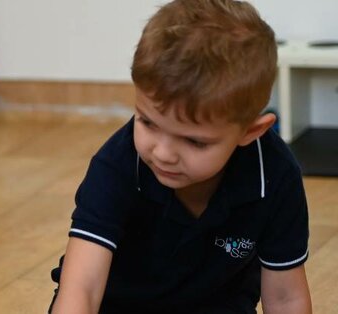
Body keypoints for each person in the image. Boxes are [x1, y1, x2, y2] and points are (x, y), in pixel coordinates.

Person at [49, 0, 311, 313]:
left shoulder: (275, 176)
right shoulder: (117, 165)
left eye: (194, 142)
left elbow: (285, 297)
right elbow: (83, 287)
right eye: (147, 122)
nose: (163, 153)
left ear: (250, 131)